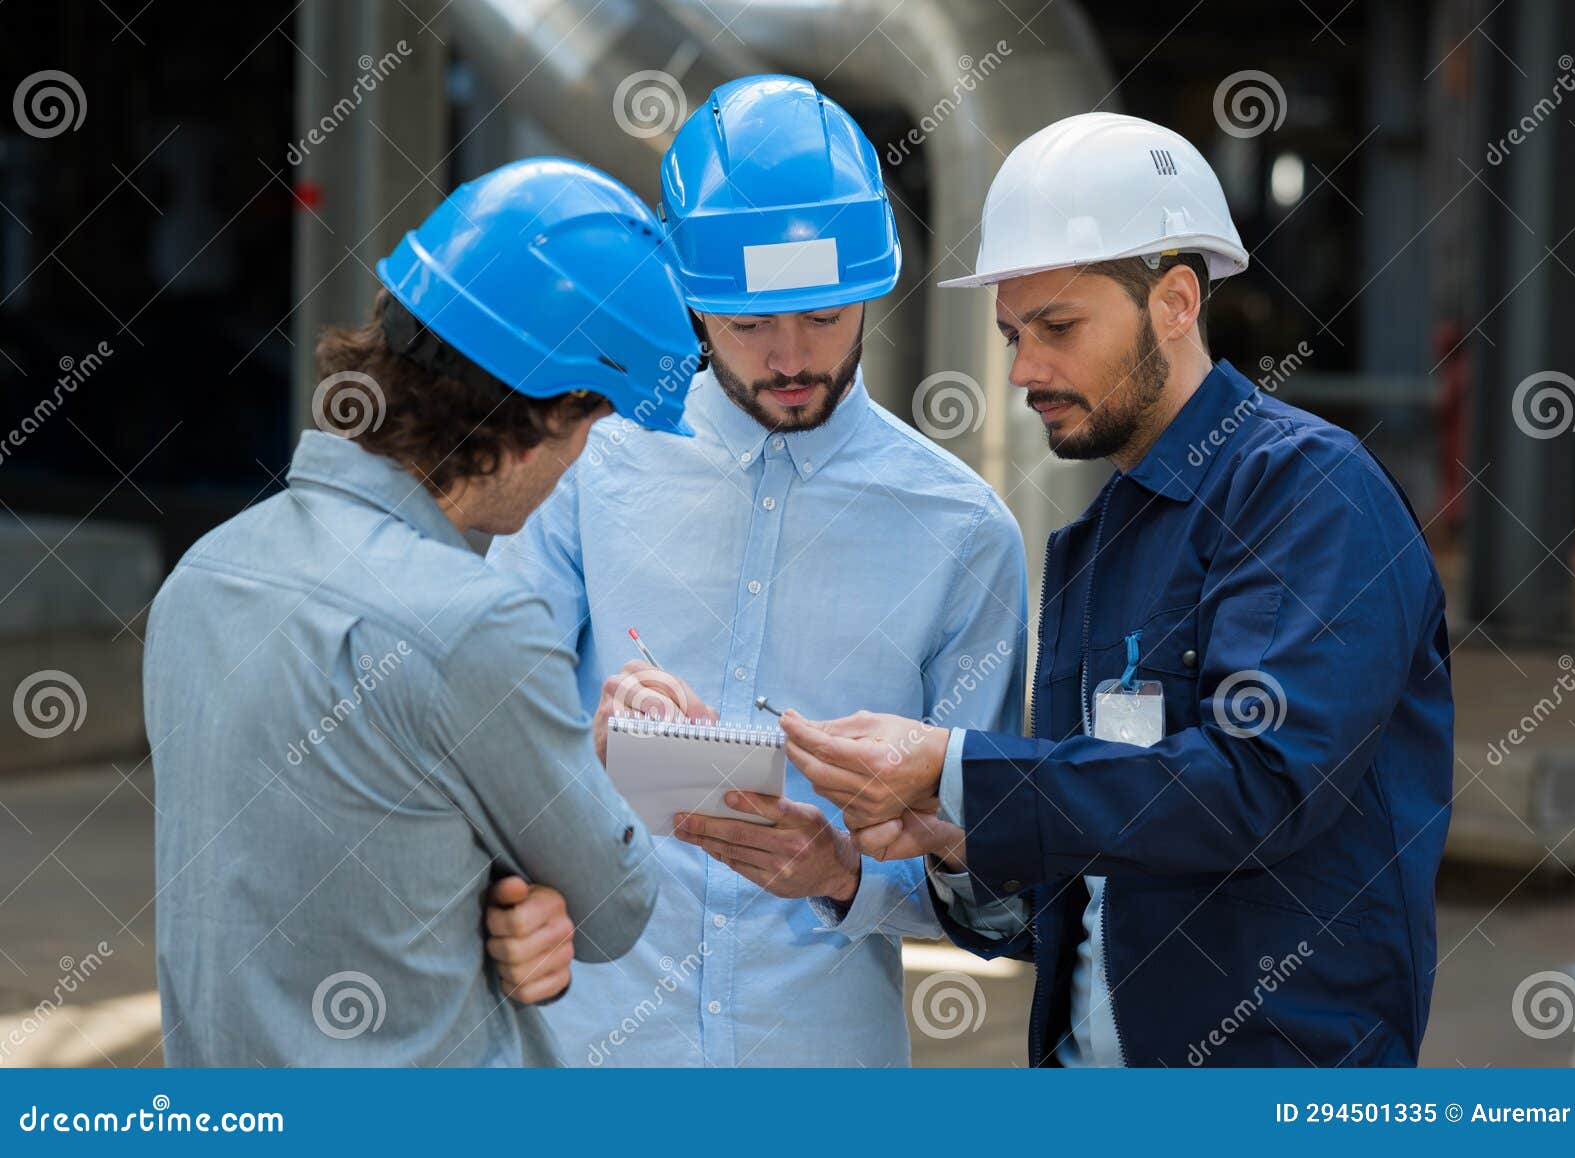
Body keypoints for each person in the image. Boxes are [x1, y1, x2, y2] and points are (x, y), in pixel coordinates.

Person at [781, 113, 1454, 1067]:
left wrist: (957, 769)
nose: (1024, 370)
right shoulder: (1097, 544)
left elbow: (1259, 784)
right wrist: (953, 844)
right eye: (1013, 334)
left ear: (1176, 301)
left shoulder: (1309, 494)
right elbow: (1091, 891)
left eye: (1058, 327)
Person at [486, 75, 1028, 1067]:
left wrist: (843, 876)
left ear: (871, 287)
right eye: (748, 324)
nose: (789, 358)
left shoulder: (962, 534)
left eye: (822, 316)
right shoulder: (583, 470)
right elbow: (478, 747)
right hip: (593, 1054)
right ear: (692, 302)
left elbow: (992, 884)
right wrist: (582, 750)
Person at [143, 158, 701, 1065]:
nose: (580, 462)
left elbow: (346, 848)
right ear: (548, 413)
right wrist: (572, 801)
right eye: (593, 425)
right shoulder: (475, 625)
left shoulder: (205, 576)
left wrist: (517, 845)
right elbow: (613, 907)